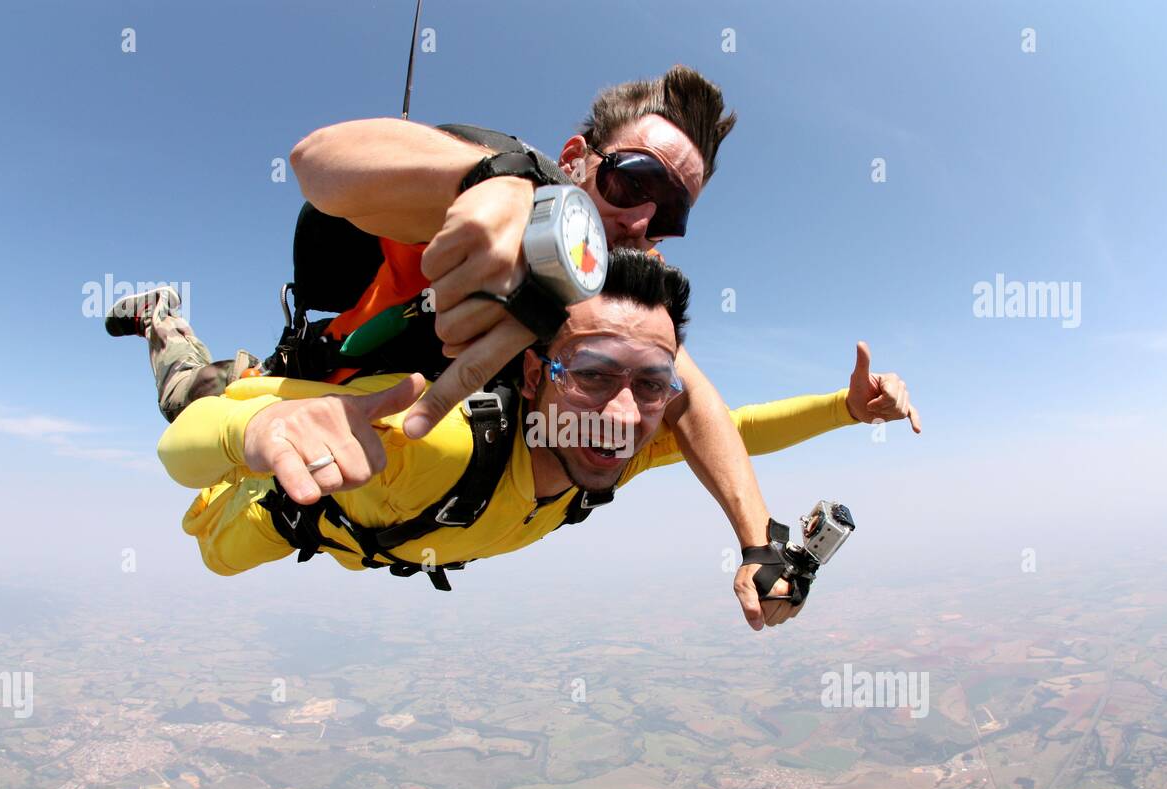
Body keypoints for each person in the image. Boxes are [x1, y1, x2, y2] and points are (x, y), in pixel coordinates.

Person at [110, 66, 920, 628]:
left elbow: (699, 411)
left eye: (671, 215)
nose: (642, 223)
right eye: (633, 181)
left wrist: (765, 529)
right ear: (577, 159)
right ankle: (164, 320)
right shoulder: (485, 207)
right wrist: (495, 181)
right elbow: (317, 164)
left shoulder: (605, 362)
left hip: (364, 474)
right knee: (193, 393)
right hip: (320, 406)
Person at [157, 250, 865, 616]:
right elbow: (186, 441)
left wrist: (847, 408)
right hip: (268, 510)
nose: (624, 415)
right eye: (591, 374)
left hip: (367, 534)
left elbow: (732, 432)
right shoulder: (437, 439)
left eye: (652, 383)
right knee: (189, 395)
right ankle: (166, 323)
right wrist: (258, 428)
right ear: (532, 376)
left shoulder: (611, 451)